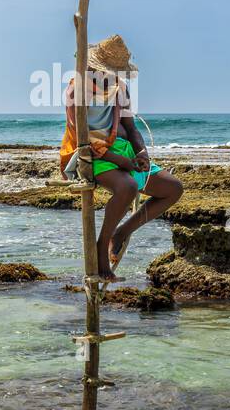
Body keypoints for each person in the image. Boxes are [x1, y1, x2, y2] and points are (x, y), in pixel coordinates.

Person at [59, 35, 183, 281]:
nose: (108, 77)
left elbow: (131, 127)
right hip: (90, 155)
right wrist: (121, 162)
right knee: (127, 186)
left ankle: (121, 232)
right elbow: (83, 138)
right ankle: (101, 247)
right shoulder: (76, 91)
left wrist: (141, 153)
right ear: (91, 68)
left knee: (173, 188)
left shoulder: (119, 89)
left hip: (122, 151)